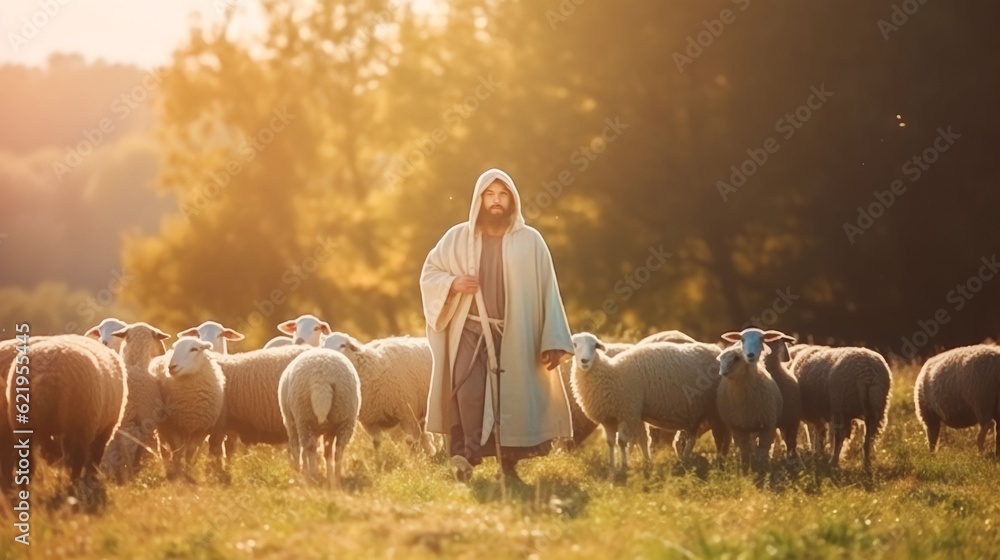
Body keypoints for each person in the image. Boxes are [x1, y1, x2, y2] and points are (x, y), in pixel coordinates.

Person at [420, 168, 575, 482]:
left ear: (512, 200)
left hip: (514, 334)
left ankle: (508, 468)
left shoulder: (530, 241)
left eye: (502, 194)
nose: (496, 201)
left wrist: (554, 340)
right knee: (467, 391)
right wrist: (453, 282)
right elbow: (429, 273)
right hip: (470, 329)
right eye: (489, 195)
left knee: (510, 397)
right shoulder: (457, 237)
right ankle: (465, 456)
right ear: (479, 199)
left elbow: (548, 290)